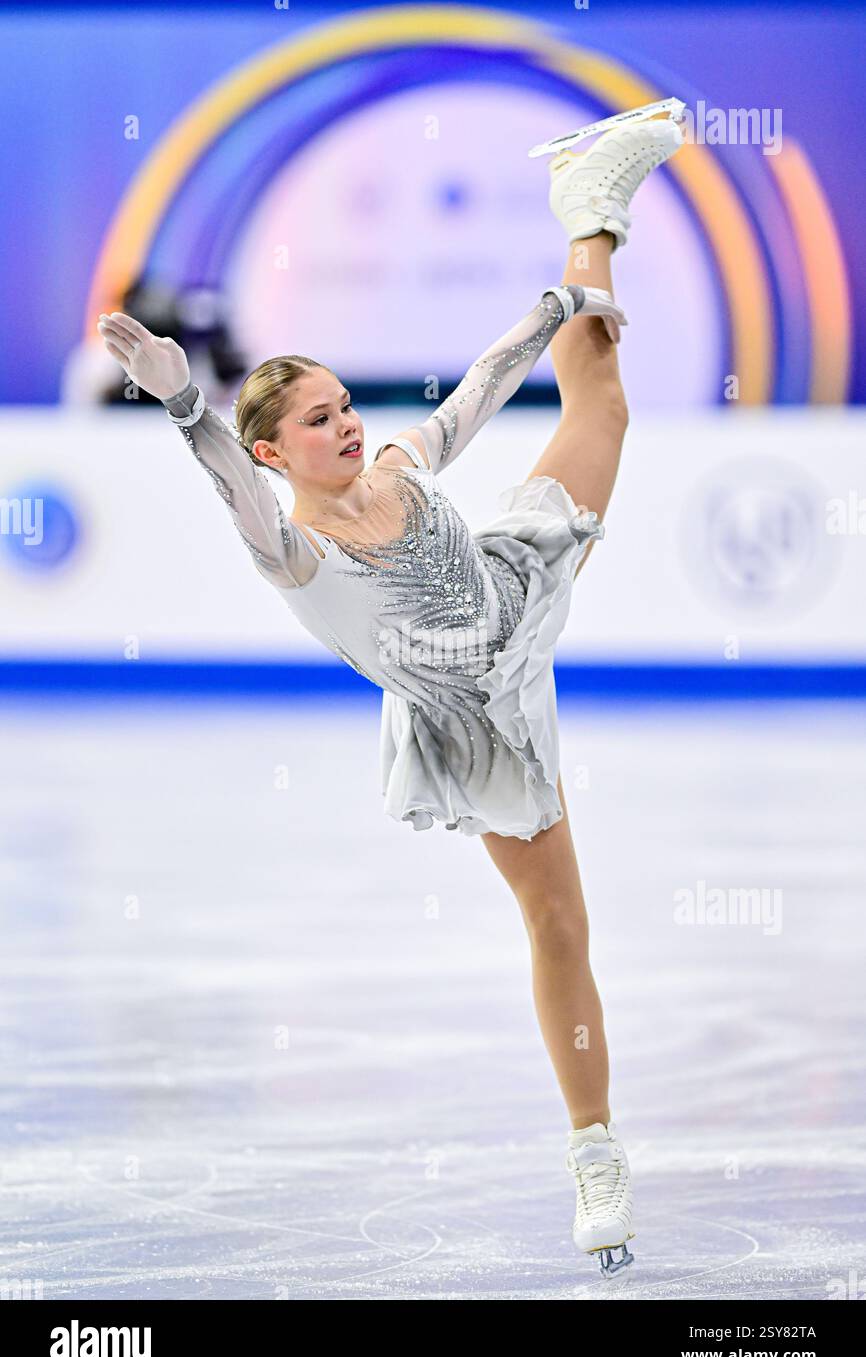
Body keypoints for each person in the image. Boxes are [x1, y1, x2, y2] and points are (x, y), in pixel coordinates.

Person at [98, 105, 685, 1279]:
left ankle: (586, 206)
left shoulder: (399, 469)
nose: (348, 427)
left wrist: (555, 307)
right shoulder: (292, 552)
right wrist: (182, 409)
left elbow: (472, 394)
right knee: (558, 920)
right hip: (474, 724)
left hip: (516, 590)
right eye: (320, 421)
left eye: (344, 405)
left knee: (598, 401)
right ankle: (593, 1150)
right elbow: (228, 485)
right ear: (277, 452)